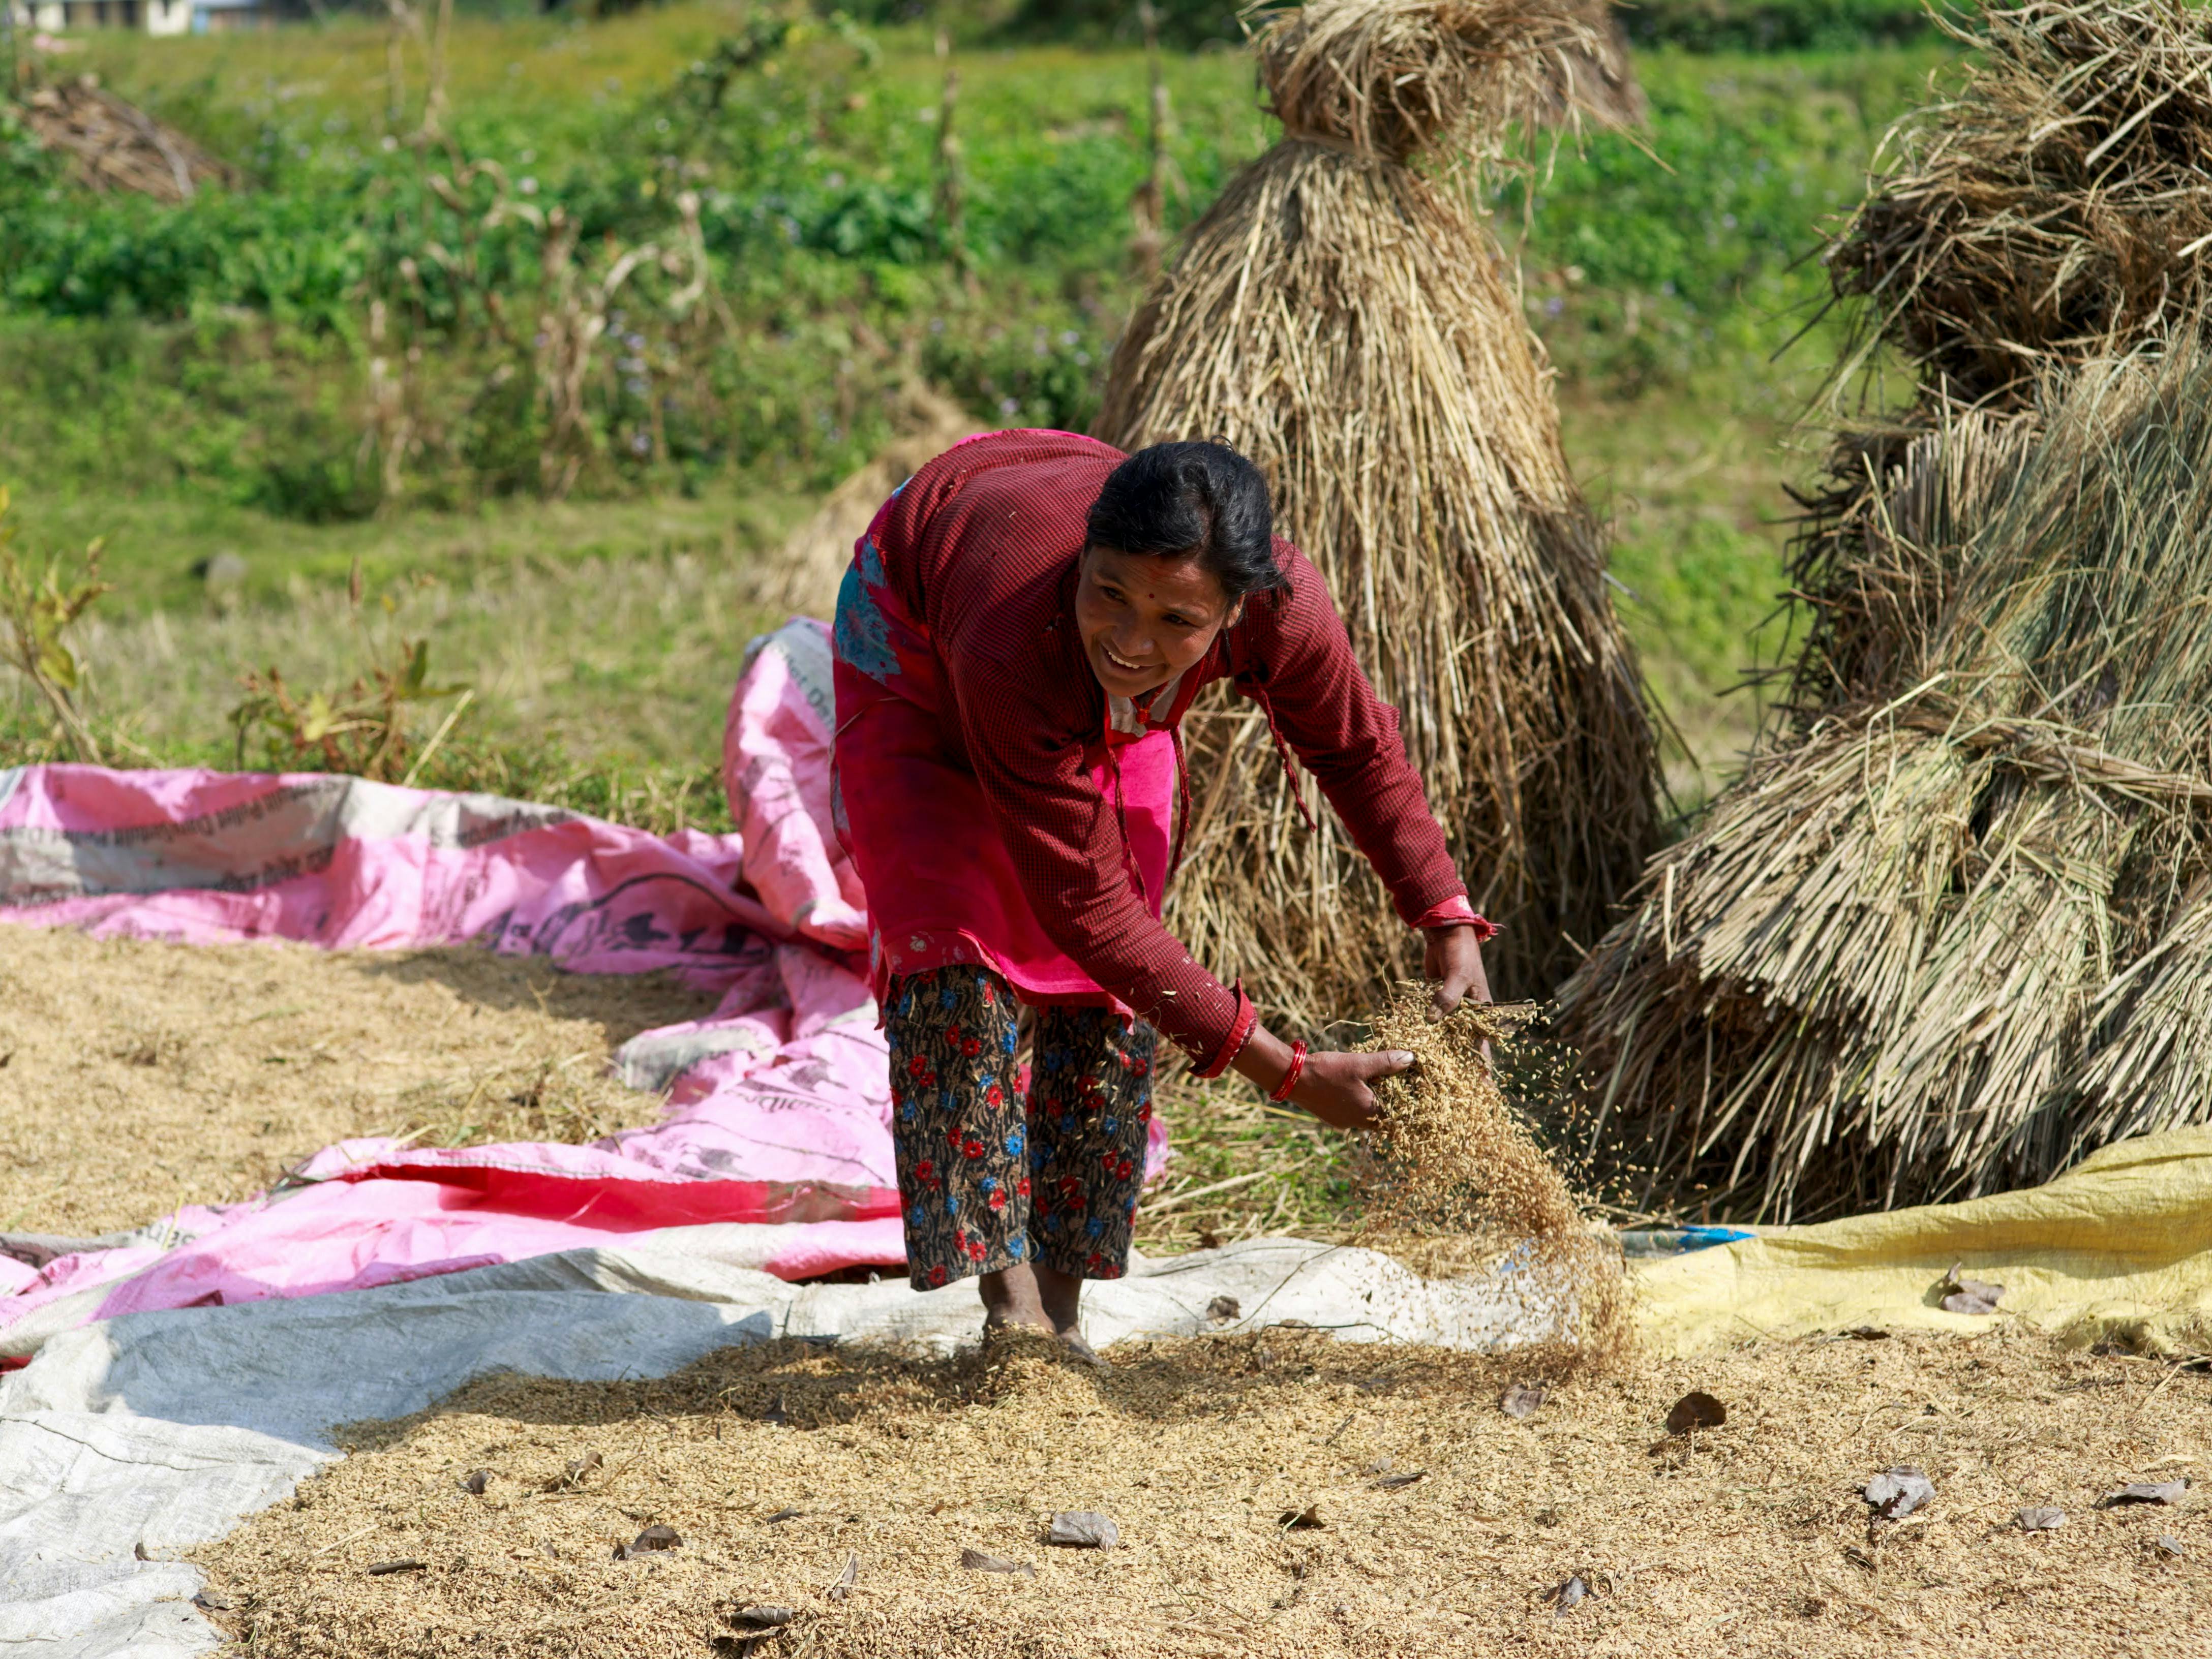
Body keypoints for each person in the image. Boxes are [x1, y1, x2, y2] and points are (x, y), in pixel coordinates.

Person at [831, 429, 1493, 1358]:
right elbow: (1085, 906)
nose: (1135, 641)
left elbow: (1354, 747)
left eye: (1178, 621)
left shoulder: (1283, 610)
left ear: (1237, 611)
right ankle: (1011, 1315)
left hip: (1055, 664)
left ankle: (1058, 1312)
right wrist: (1287, 1074)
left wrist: (1447, 917)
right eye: (1111, 592)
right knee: (952, 968)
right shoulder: (1011, 624)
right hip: (927, 655)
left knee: (1111, 986)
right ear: (1086, 555)